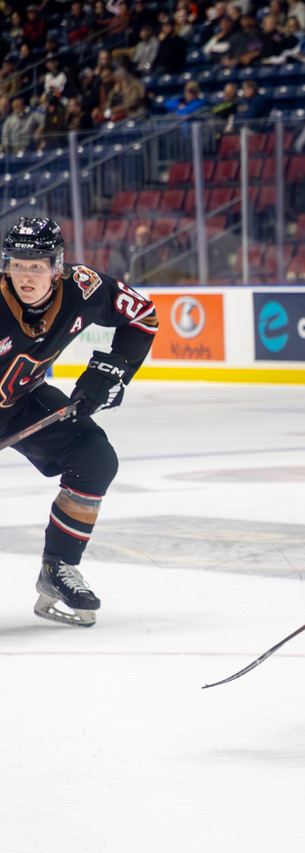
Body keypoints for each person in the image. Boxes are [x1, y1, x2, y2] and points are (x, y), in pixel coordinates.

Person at [0, 217, 157, 627]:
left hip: (23, 400)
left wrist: (114, 368)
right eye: (18, 264)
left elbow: (142, 316)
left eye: (37, 265)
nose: (26, 275)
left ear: (57, 266)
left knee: (94, 458)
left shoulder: (83, 287)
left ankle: (58, 569)